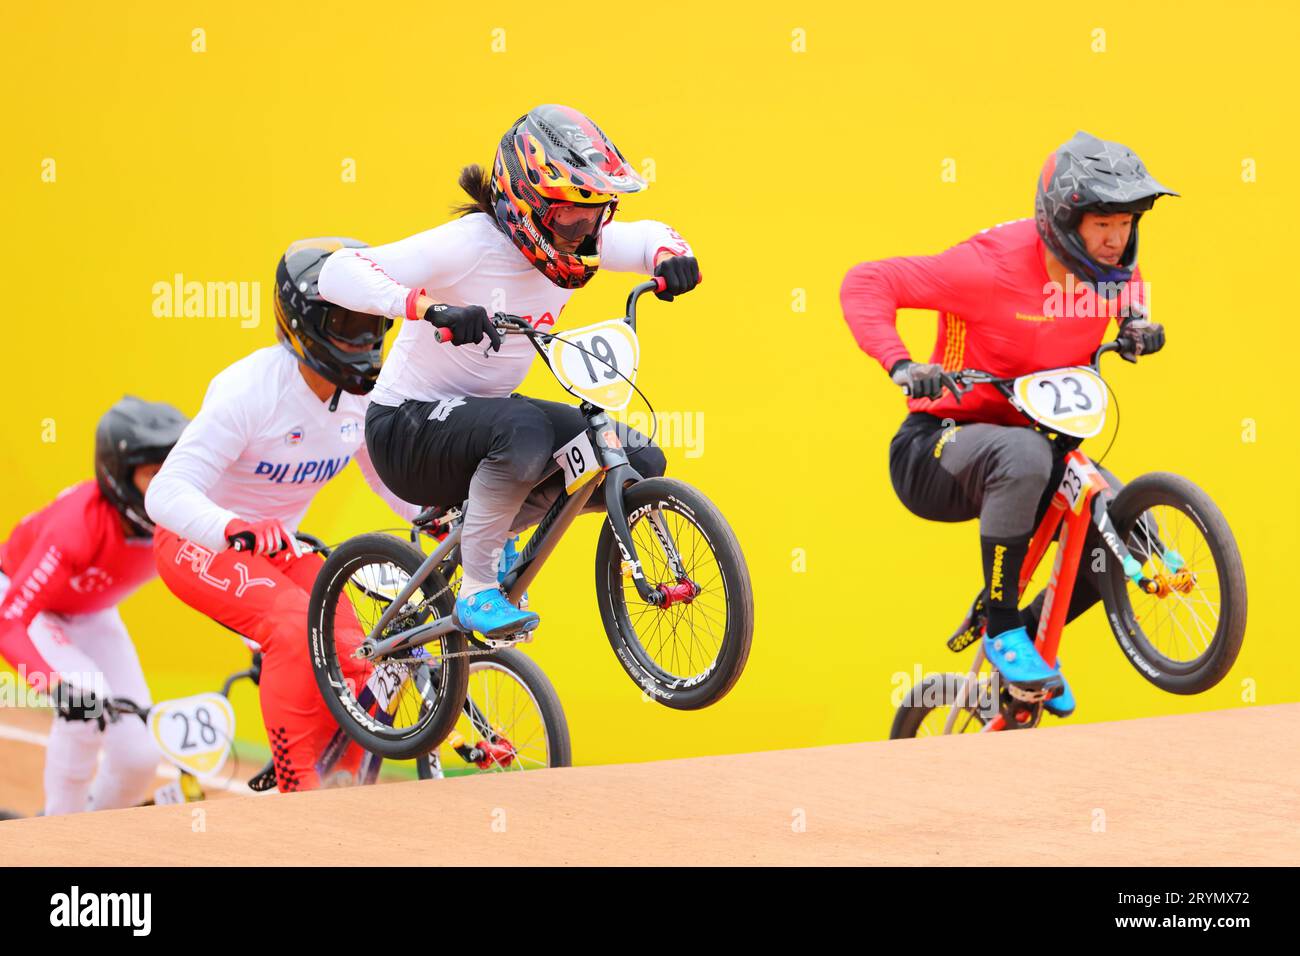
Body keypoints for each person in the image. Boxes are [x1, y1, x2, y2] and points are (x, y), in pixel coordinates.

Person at [317, 104, 701, 640]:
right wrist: (429, 308)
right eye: (571, 214)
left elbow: (647, 236)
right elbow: (336, 273)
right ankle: (478, 589)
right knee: (523, 432)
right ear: (528, 202)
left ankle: (487, 535)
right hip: (403, 428)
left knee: (634, 456)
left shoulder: (579, 238)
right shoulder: (470, 245)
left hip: (480, 427)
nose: (585, 229)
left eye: (597, 213)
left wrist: (669, 257)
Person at [840, 131, 1176, 714]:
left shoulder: (1114, 269)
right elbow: (868, 281)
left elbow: (1130, 290)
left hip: (1043, 448)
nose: (1116, 241)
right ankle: (1003, 630)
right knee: (1025, 457)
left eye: (1125, 225)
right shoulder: (985, 267)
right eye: (1102, 225)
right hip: (937, 451)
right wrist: (901, 364)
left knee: (1120, 521)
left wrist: (1136, 325)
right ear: (1063, 222)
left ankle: (1026, 632)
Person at [145, 238, 421, 792]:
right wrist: (231, 526)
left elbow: (385, 476)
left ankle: (343, 789)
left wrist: (441, 515)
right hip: (198, 542)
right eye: (347, 325)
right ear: (304, 324)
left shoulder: (364, 396)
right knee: (294, 628)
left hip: (278, 548)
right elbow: (165, 493)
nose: (365, 341)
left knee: (353, 646)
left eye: (372, 325)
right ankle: (299, 790)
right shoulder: (248, 392)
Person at [0, 396, 188, 814]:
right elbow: (9, 620)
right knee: (86, 702)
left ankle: (97, 836)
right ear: (120, 477)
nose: (170, 487)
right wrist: (51, 684)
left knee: (139, 755)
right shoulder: (76, 527)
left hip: (88, 612)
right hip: (19, 601)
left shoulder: (181, 519)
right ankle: (60, 836)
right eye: (155, 475)